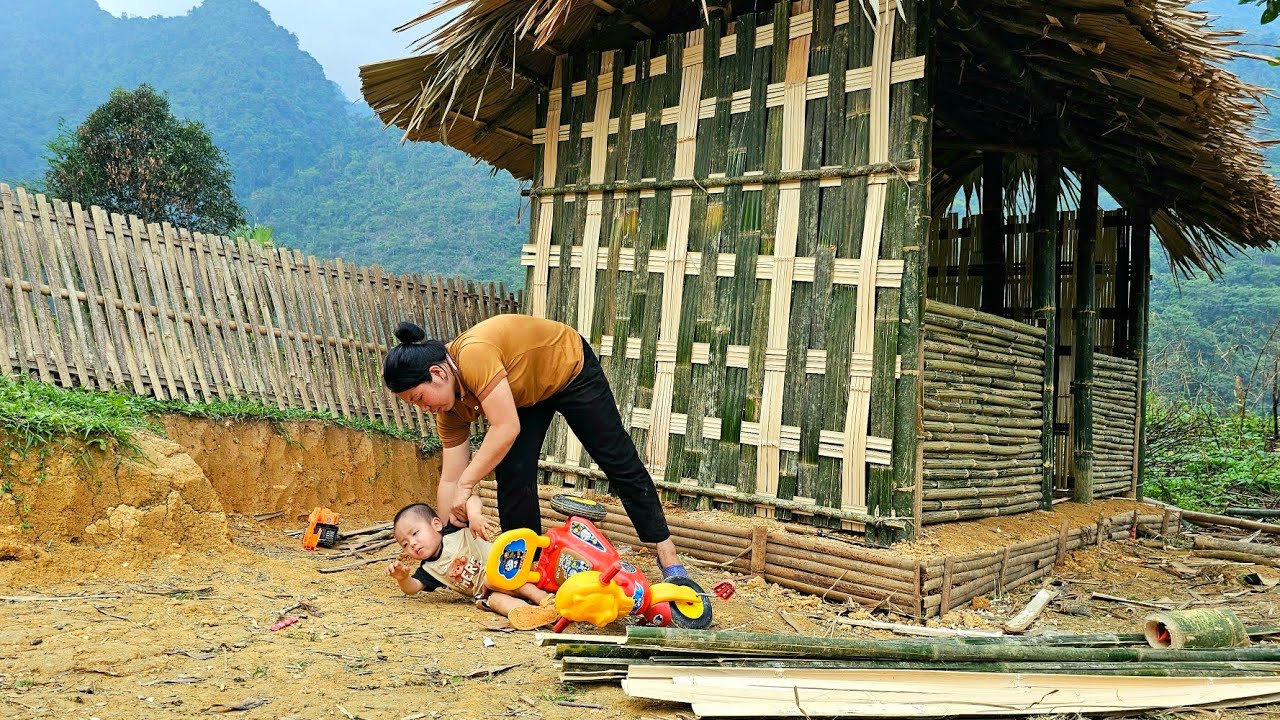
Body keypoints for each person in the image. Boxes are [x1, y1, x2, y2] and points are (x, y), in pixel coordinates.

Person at [382, 315, 688, 580]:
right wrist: (444, 543)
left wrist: (468, 483)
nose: (423, 408)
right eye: (414, 404)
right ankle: (530, 566)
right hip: (522, 393)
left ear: (438, 373)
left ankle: (665, 549)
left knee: (615, 456)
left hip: (568, 368)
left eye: (420, 398)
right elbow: (451, 478)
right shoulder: (449, 411)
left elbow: (505, 428)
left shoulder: (473, 356)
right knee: (513, 473)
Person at [386, 501, 560, 630]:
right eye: (405, 544)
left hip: (508, 569)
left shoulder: (455, 529)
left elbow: (472, 499)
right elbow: (412, 588)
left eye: (415, 533)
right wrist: (403, 578)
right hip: (487, 592)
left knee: (501, 581)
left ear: (436, 524)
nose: (413, 544)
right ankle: (534, 614)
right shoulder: (429, 570)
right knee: (495, 601)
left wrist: (474, 515)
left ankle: (545, 600)